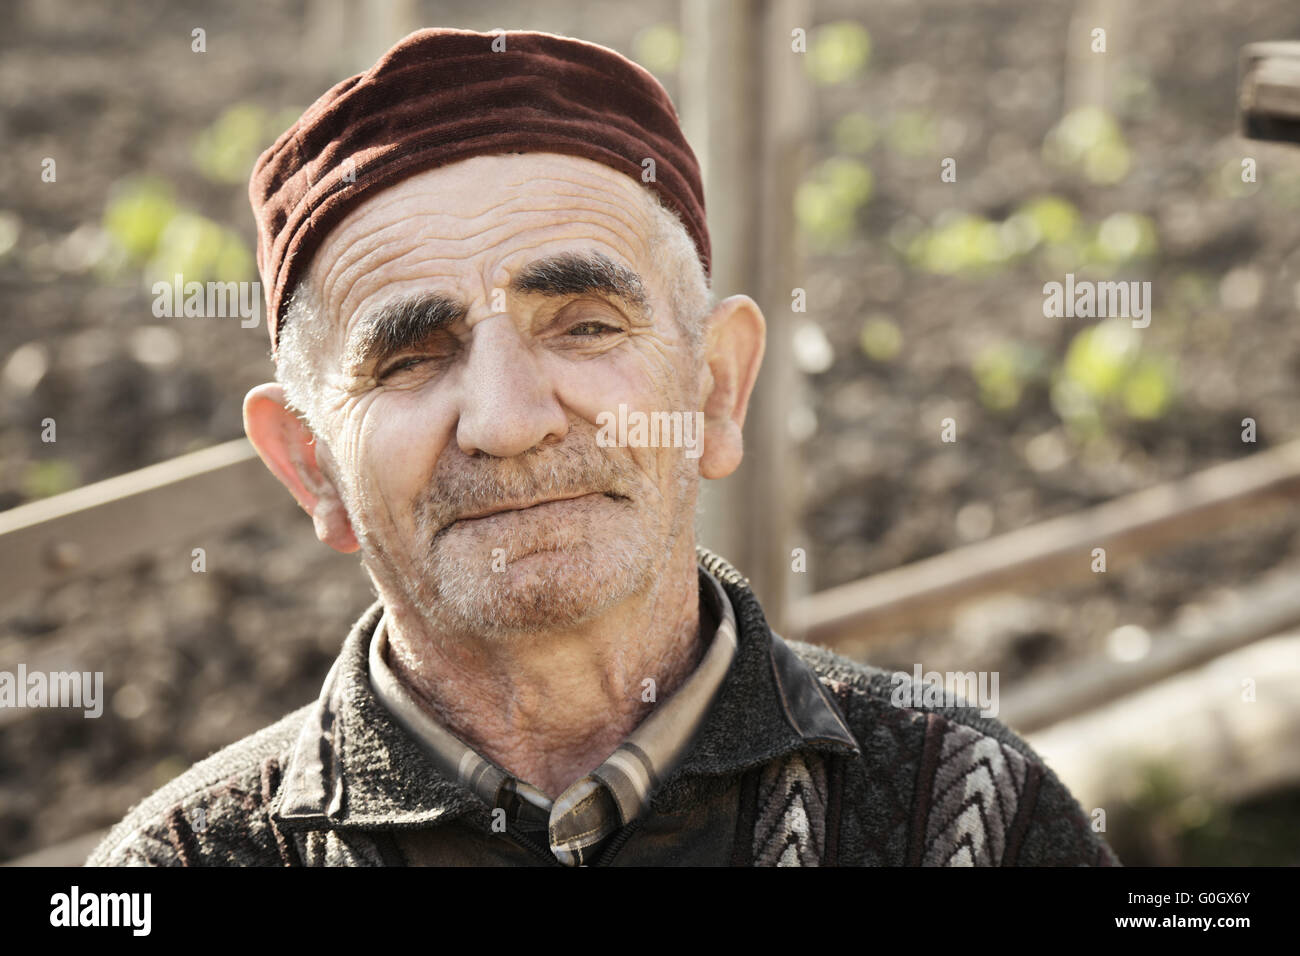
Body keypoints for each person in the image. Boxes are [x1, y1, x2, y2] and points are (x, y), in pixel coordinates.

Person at [87, 27, 1119, 867]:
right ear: (310, 461)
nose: (507, 419)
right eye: (409, 357)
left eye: (584, 325)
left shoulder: (972, 820)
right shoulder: (176, 865)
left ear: (715, 387)